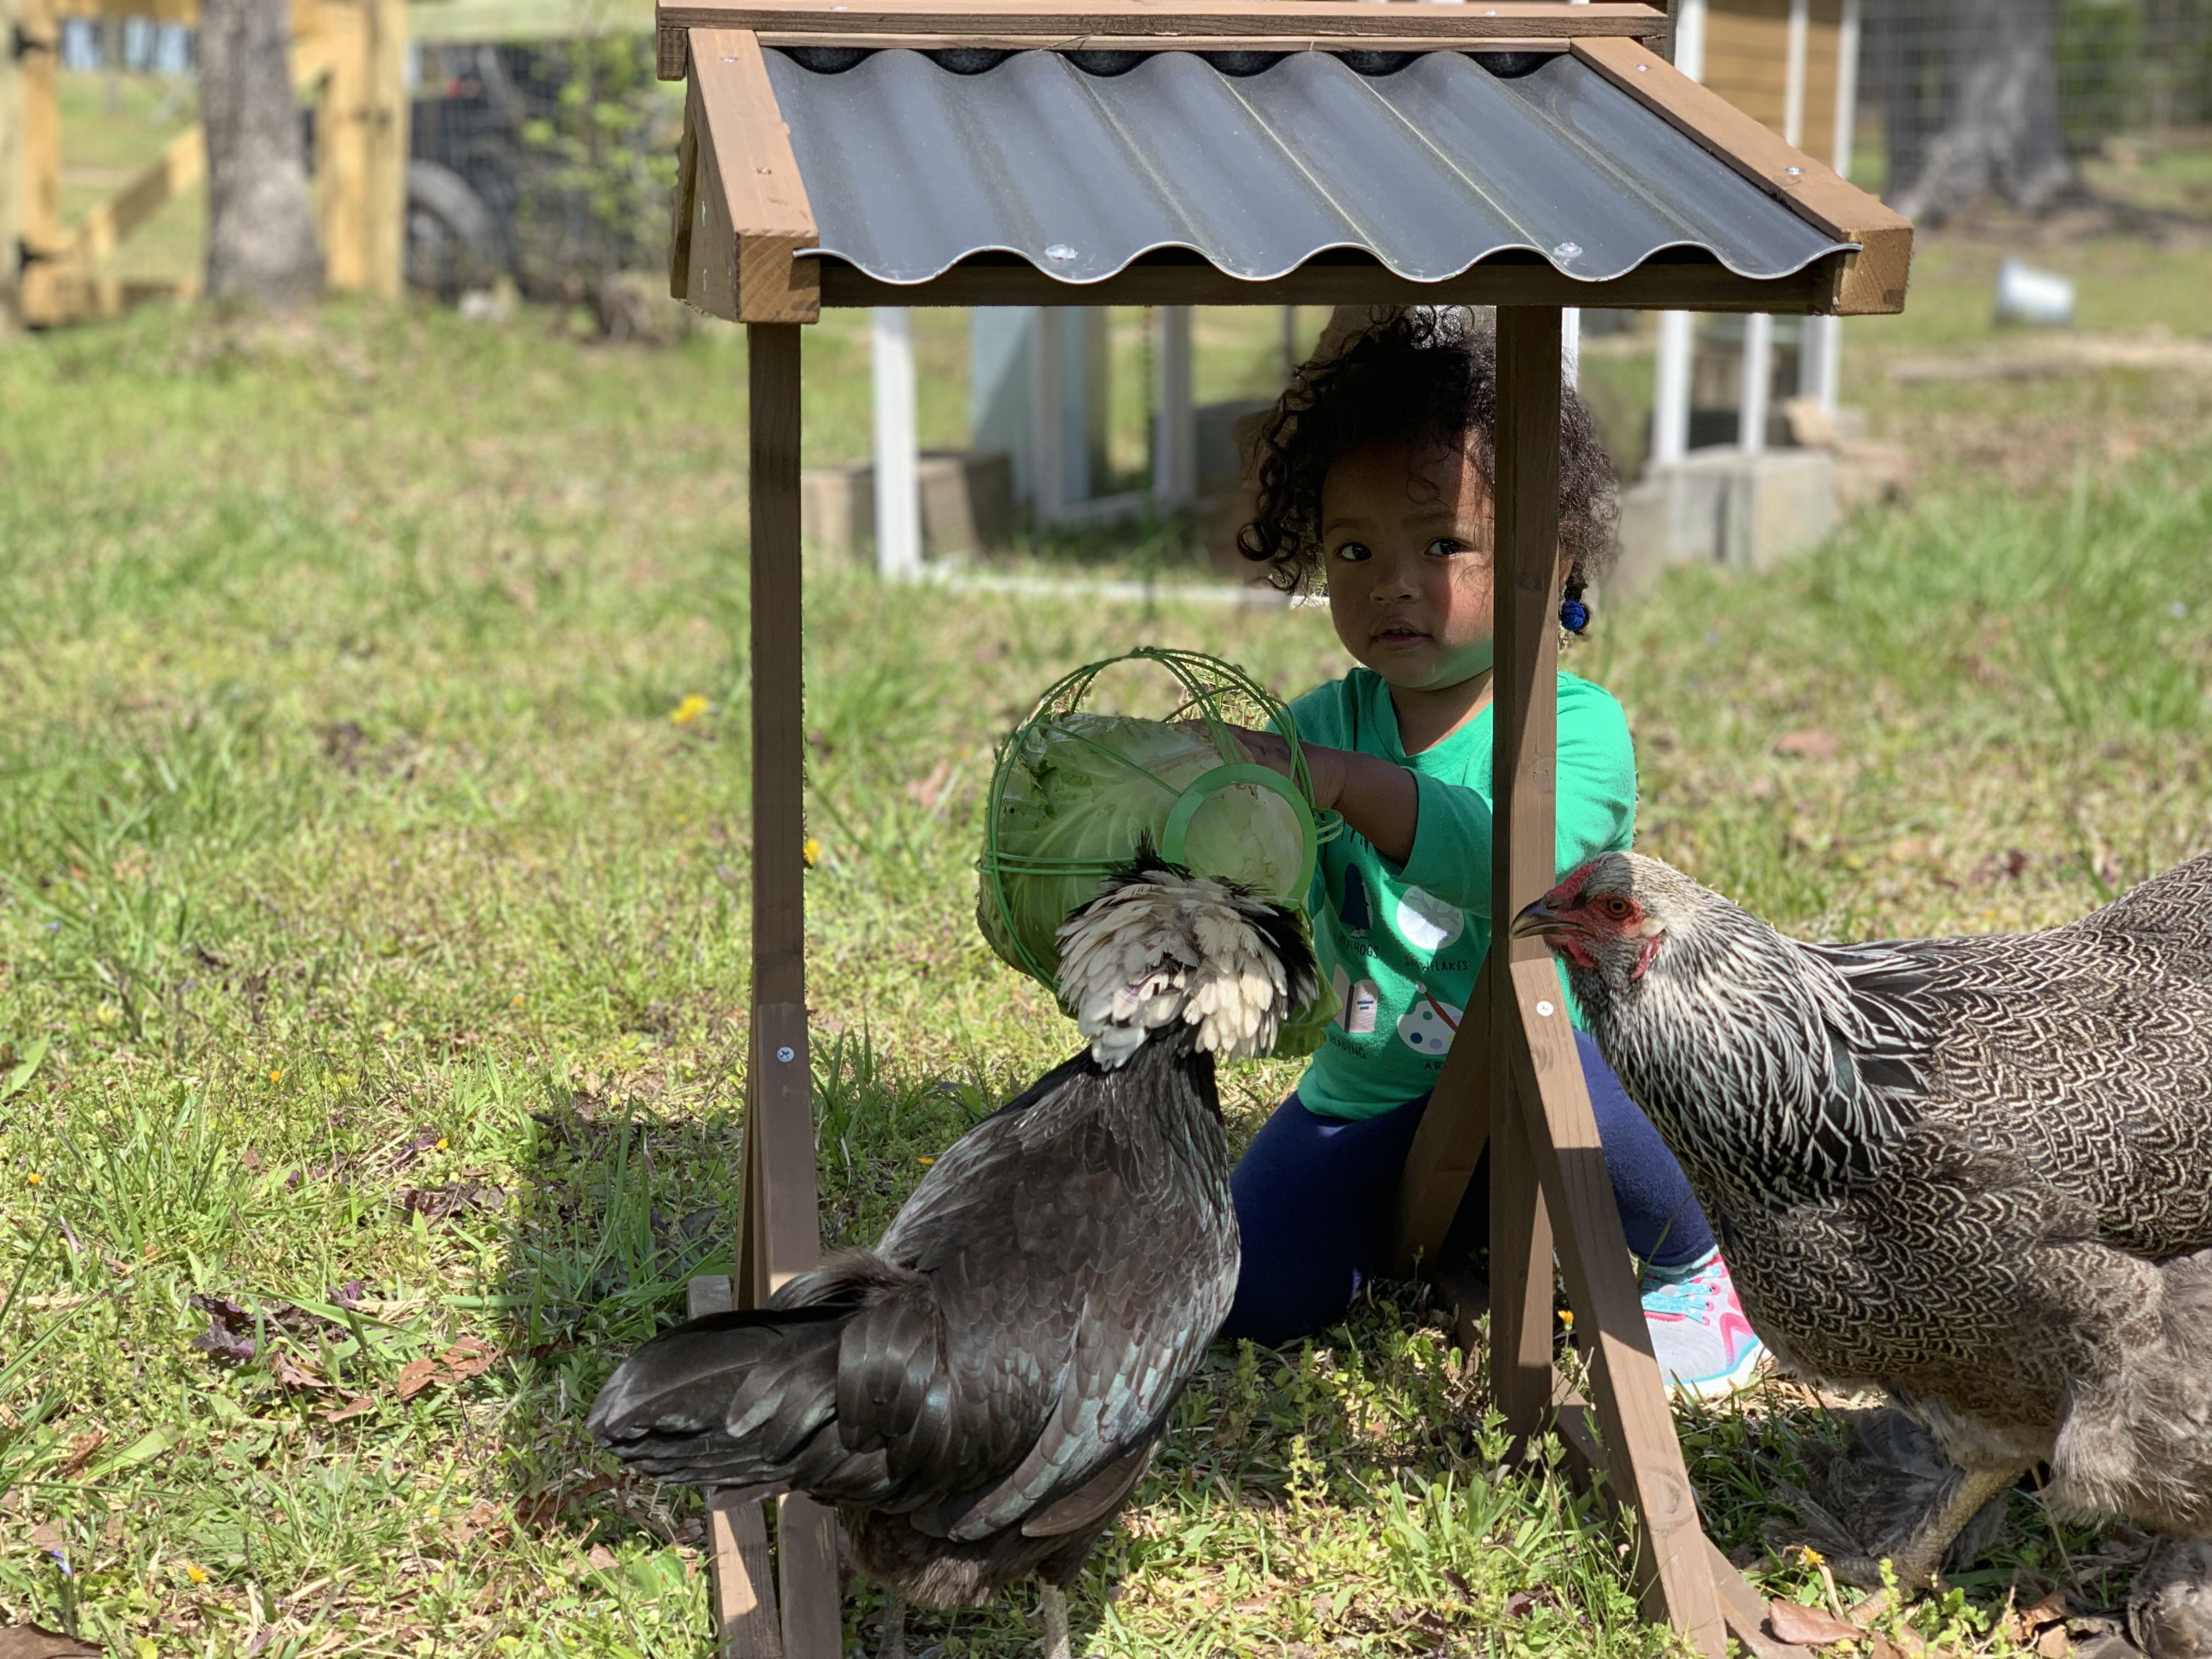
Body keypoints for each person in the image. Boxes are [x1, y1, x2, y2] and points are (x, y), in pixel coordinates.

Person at [1215, 307, 1762, 1400]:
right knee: (1249, 1298)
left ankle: (1691, 1266)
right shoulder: (1324, 721)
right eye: (1354, 550)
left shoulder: (1575, 727)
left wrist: (1341, 787)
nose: (1392, 582)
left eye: (1442, 544)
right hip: (1374, 1078)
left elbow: (1510, 870)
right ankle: (1425, 1241)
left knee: (1596, 1082)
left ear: (1547, 555)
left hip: (1552, 1066)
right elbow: (1292, 892)